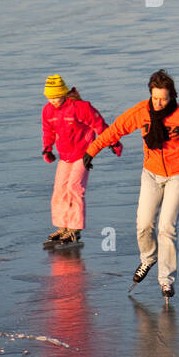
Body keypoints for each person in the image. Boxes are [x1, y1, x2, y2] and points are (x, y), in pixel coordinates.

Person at [83, 69, 179, 300]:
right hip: (151, 174)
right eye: (155, 98)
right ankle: (148, 258)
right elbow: (115, 129)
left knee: (166, 227)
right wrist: (91, 151)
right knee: (144, 224)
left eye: (163, 98)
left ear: (172, 95)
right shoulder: (141, 111)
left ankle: (166, 280)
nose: (159, 102)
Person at [41, 74, 120, 247]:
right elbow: (48, 131)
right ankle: (63, 227)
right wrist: (47, 148)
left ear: (64, 93)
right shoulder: (48, 110)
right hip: (65, 156)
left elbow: (99, 124)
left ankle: (74, 230)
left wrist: (113, 142)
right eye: (50, 97)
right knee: (59, 190)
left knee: (74, 188)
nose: (53, 100)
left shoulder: (80, 107)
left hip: (83, 154)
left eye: (56, 96)